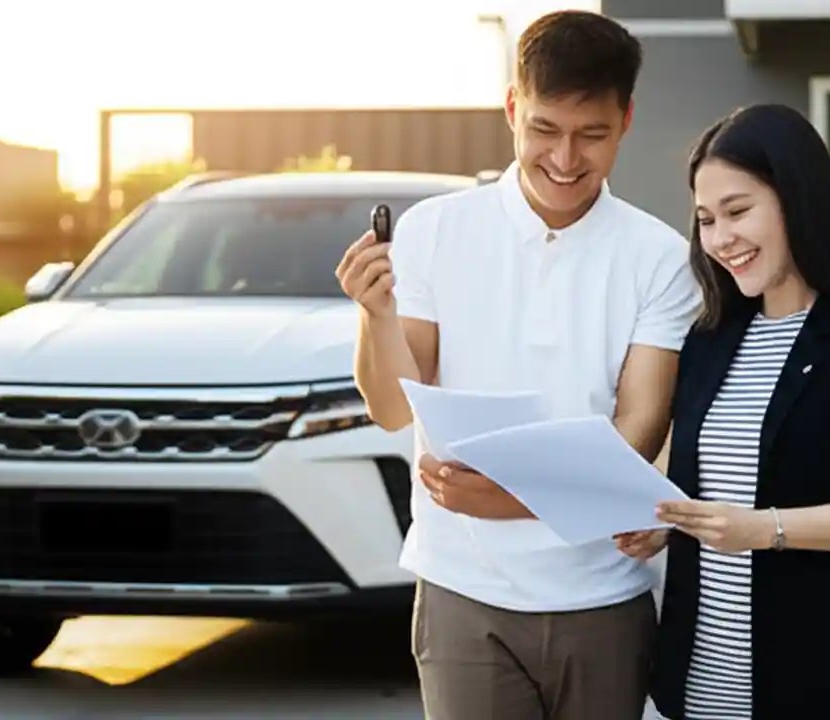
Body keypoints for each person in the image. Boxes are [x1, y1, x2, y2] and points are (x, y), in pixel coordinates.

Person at [334, 10, 701, 719]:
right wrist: (375, 315)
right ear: (512, 109)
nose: (566, 160)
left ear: (625, 120)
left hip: (603, 596)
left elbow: (639, 433)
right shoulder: (434, 231)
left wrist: (505, 498)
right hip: (462, 591)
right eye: (545, 130)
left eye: (592, 135)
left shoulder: (658, 259)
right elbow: (390, 407)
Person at [616, 104, 830, 719]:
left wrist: (767, 530)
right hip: (704, 688)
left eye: (739, 211)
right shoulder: (711, 338)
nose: (720, 239)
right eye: (707, 220)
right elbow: (715, 484)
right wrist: (670, 525)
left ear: (798, 198)